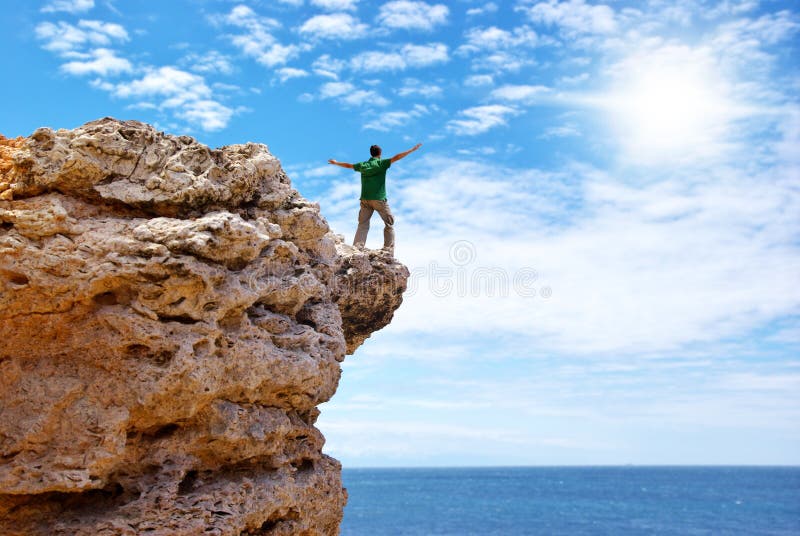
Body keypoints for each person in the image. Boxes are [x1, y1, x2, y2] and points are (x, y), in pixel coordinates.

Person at [328, 143, 422, 255]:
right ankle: (388, 249)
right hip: (379, 199)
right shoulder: (382, 163)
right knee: (389, 223)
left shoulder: (363, 165)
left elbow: (349, 165)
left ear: (371, 154)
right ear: (380, 154)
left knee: (363, 224)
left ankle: (357, 248)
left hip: (365, 199)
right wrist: (411, 150)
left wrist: (336, 162)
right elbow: (396, 157)